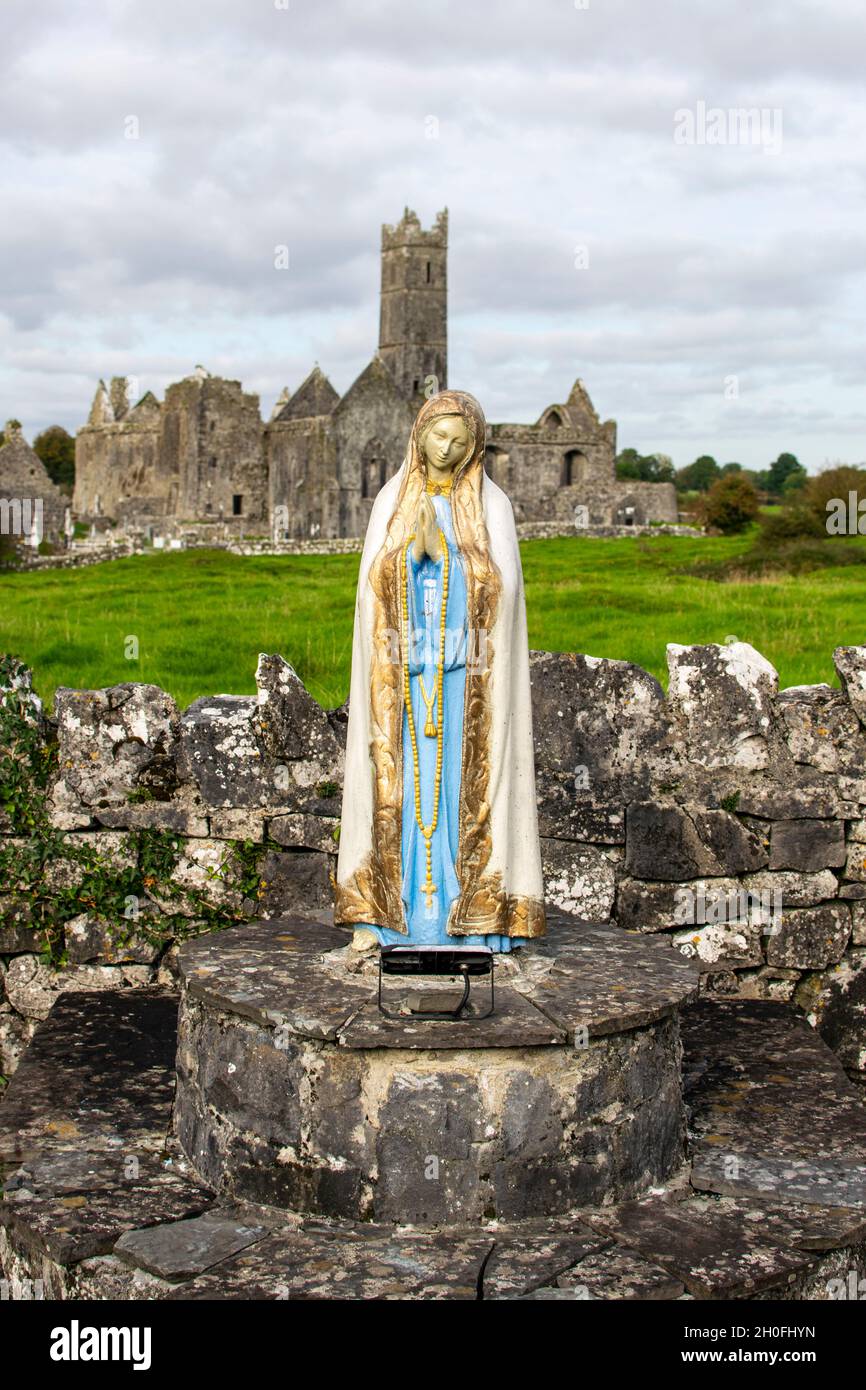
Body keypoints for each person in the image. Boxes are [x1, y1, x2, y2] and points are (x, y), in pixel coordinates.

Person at [334, 389, 546, 951]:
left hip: (466, 674)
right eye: (438, 437)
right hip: (402, 673)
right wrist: (410, 554)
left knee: (461, 785)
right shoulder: (391, 499)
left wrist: (448, 557)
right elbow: (371, 586)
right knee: (399, 788)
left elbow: (502, 588)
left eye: (459, 441)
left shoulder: (491, 505)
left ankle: (474, 920)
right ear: (419, 436)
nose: (447, 450)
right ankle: (383, 917)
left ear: (475, 446)